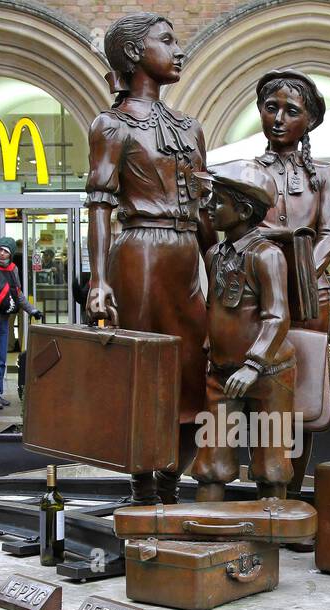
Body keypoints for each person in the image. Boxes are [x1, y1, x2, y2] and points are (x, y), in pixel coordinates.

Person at [85, 12, 216, 504]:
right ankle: (143, 487)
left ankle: (171, 481)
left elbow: (204, 209)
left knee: (191, 371)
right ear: (136, 53)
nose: (178, 50)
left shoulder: (190, 127)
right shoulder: (111, 125)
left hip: (184, 258)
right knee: (145, 373)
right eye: (167, 40)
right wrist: (99, 280)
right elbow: (99, 204)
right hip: (139, 254)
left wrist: (217, 264)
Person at [252, 68, 330, 495]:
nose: (279, 118)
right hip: (255, 297)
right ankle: (266, 489)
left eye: (292, 110)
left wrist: (301, 274)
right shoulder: (248, 170)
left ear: (309, 121)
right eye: (271, 108)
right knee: (261, 390)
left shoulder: (324, 174)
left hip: (309, 298)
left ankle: (290, 491)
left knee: (302, 397)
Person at [192, 160, 296, 501]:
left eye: (217, 200)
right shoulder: (214, 255)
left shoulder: (267, 256)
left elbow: (277, 316)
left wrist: (253, 364)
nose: (208, 206)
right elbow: (215, 307)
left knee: (271, 461)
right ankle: (206, 536)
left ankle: (271, 534)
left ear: (243, 209)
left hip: (268, 375)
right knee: (211, 461)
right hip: (222, 374)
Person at [0, 237, 41, 409]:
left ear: (11, 254)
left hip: (3, 319)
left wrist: (32, 310)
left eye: (7, 252)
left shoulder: (13, 269)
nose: (3, 254)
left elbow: (17, 293)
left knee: (1, 358)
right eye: (1, 250)